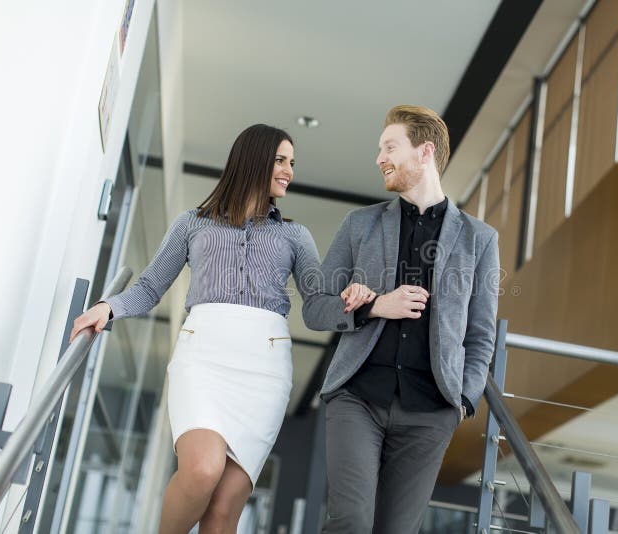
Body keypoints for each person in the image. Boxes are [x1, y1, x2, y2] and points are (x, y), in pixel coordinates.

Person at [69, 124, 374, 534]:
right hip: (203, 360)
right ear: (254, 160)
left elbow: (318, 305)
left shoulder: (294, 235)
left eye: (291, 163)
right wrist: (108, 308)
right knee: (201, 471)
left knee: (223, 512)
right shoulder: (192, 224)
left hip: (264, 372)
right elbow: (149, 287)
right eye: (281, 161)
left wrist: (351, 299)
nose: (289, 171)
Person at [302, 105, 500, 534]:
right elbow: (315, 307)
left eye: (389, 147)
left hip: (431, 411)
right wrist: (375, 306)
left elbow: (481, 333)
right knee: (351, 521)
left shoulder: (479, 240)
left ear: (424, 151)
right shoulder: (361, 225)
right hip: (357, 397)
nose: (379, 158)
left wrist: (464, 398)